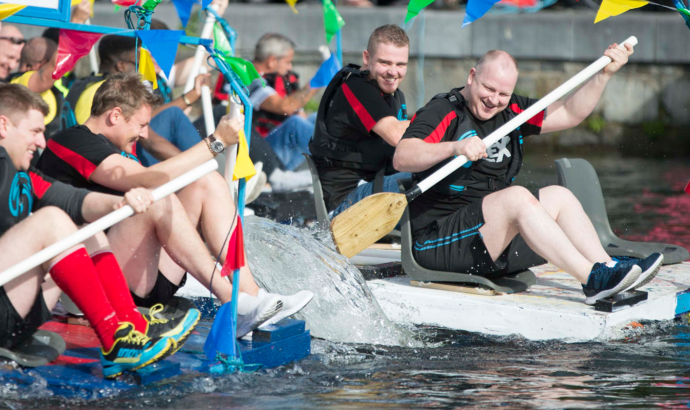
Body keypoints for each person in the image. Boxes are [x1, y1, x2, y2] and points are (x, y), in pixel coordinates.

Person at [0, 84, 196, 378]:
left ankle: (129, 326)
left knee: (84, 229)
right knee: (51, 220)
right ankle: (114, 340)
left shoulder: (21, 173)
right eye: (35, 131)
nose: (42, 142)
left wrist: (120, 202)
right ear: (4, 126)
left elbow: (74, 200)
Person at [39, 73, 314, 332]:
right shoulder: (71, 141)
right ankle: (233, 302)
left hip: (139, 273)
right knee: (157, 199)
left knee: (209, 181)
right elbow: (148, 179)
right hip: (94, 284)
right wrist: (215, 142)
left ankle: (251, 295)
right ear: (115, 116)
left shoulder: (116, 147)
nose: (145, 135)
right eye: (142, 125)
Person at [393, 45, 663, 305]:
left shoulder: (512, 111)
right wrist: (454, 147)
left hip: (485, 235)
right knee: (518, 198)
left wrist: (604, 74)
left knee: (559, 196)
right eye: (488, 88)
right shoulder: (443, 110)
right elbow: (402, 156)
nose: (493, 100)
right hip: (435, 243)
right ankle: (593, 279)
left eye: (503, 94)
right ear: (472, 76)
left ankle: (607, 267)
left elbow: (569, 113)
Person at [309, 25, 413, 218]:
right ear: (367, 58)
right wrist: (447, 118)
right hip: (344, 208)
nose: (393, 72)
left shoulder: (394, 94)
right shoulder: (356, 88)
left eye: (400, 64)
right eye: (385, 62)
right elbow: (397, 135)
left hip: (374, 192)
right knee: (433, 175)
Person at [64, 34, 202, 167]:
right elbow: (151, 142)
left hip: (85, 157)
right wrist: (195, 166)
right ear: (122, 66)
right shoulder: (112, 93)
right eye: (140, 63)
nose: (143, 69)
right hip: (102, 165)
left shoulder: (85, 85)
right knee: (173, 115)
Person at [245, 34, 321, 172]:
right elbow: (285, 107)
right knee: (295, 124)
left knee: (319, 118)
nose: (290, 67)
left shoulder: (283, 79)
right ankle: (340, 162)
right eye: (288, 62)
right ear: (272, 61)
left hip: (278, 147)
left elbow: (300, 114)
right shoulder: (248, 77)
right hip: (257, 152)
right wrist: (317, 82)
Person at [9, 37, 62, 135]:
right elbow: (56, 65)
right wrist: (76, 25)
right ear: (43, 64)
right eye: (49, 63)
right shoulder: (24, 82)